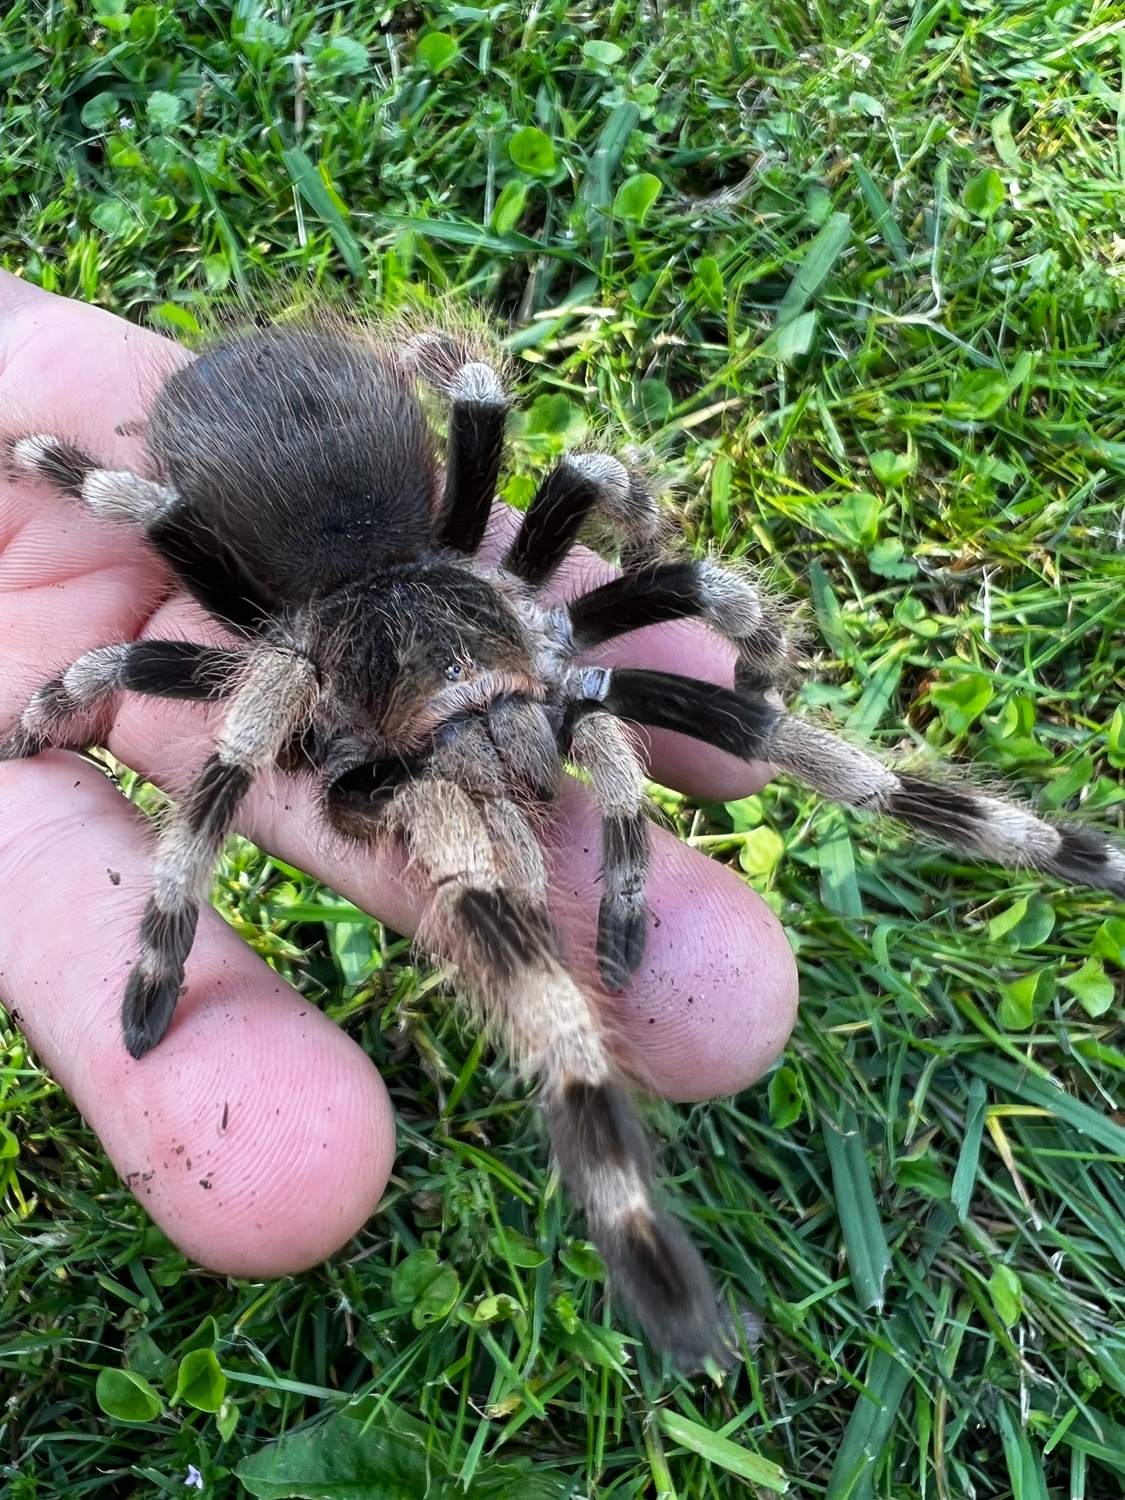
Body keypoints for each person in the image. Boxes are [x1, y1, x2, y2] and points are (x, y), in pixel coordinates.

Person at [0, 272, 798, 1277]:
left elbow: (518, 412)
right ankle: (624, 1201)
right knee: (139, 586)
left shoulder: (517, 610)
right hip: (292, 507)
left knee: (698, 582)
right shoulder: (287, 667)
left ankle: (1027, 839)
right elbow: (121, 667)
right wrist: (156, 912)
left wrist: (674, 575)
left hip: (348, 474)